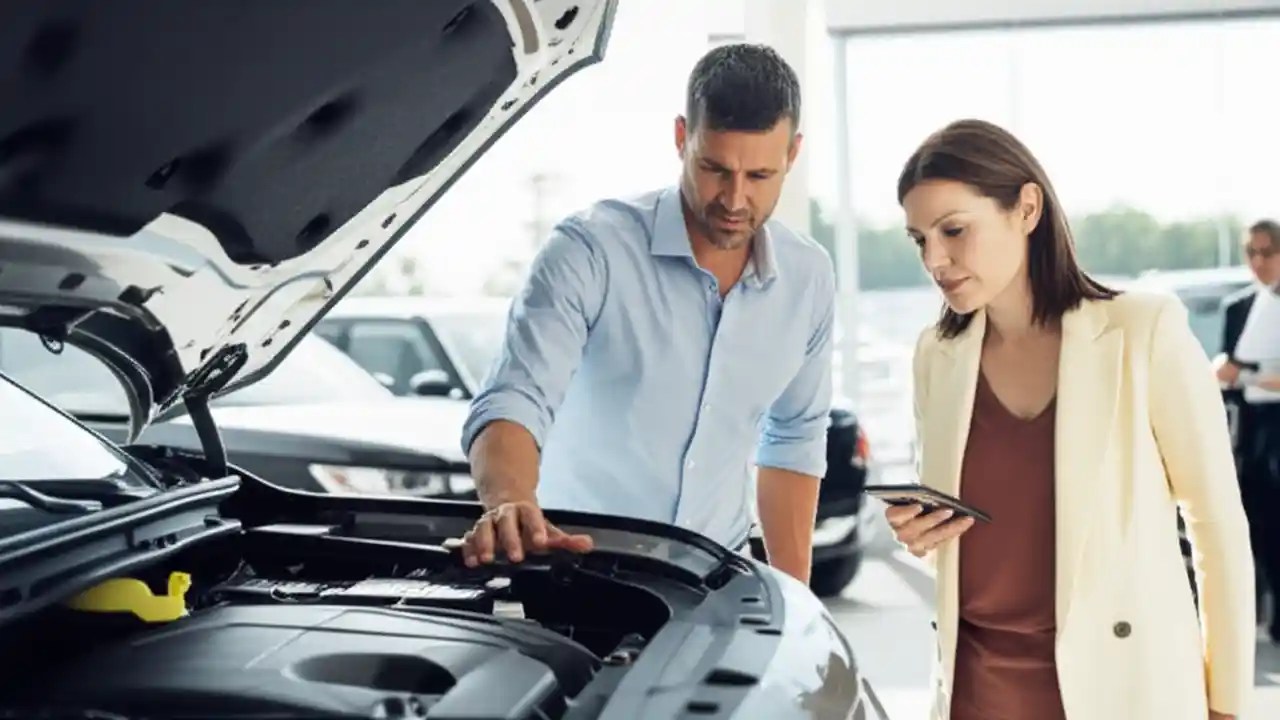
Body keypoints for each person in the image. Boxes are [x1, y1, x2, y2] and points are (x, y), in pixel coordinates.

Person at [885, 118, 1254, 720]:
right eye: (919, 239)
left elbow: (1216, 524)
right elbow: (961, 522)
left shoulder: (1142, 332)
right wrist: (918, 533)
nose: (935, 258)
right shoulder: (938, 354)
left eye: (953, 230)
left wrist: (1228, 705)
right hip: (976, 689)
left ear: (1026, 208)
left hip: (1119, 685)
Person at [456, 43, 836, 585]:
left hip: (714, 580)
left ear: (792, 156)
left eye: (759, 176)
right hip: (576, 570)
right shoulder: (590, 250)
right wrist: (509, 501)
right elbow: (516, 396)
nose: (733, 198)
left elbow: (795, 437)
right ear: (682, 138)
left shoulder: (808, 277)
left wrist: (796, 603)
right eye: (714, 168)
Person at [1215, 219, 1280, 641]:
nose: (1258, 262)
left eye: (1267, 252)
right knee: (1258, 521)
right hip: (1253, 431)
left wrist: (1249, 374)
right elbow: (1226, 371)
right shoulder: (1237, 307)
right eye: (1251, 253)